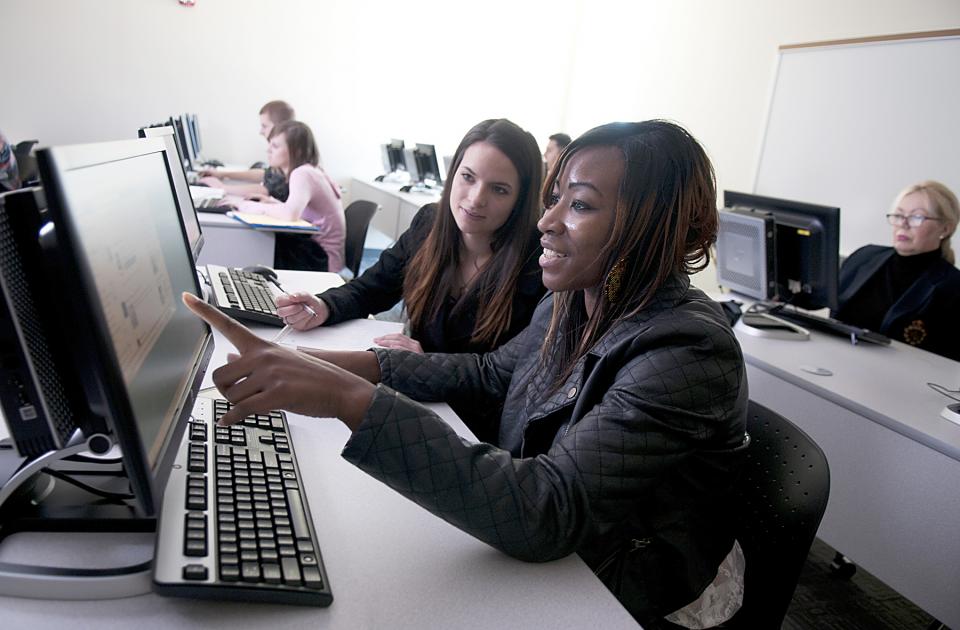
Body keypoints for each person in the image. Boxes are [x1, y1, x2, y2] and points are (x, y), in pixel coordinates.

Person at [183, 120, 749, 628]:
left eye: (578, 205)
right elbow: (488, 373)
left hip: (622, 582)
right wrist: (320, 364)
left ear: (653, 227)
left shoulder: (687, 349)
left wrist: (350, 400)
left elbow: (547, 509)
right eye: (554, 200)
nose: (546, 223)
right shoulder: (576, 297)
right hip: (567, 551)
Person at [277, 118, 546, 356]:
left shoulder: (536, 263)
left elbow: (502, 373)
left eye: (499, 189)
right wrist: (325, 305)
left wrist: (426, 362)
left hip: (464, 410)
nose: (476, 199)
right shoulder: (429, 224)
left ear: (520, 201)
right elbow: (372, 288)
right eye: (467, 177)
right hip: (412, 389)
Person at [833, 180, 960, 360]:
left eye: (917, 217)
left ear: (945, 228)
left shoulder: (953, 287)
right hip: (833, 364)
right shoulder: (864, 256)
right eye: (899, 215)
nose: (903, 224)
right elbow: (821, 303)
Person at [230, 120, 346, 273]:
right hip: (321, 254)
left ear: (296, 151)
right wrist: (271, 202)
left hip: (321, 259)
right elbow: (296, 210)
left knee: (260, 241)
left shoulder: (302, 173)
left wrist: (245, 205)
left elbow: (290, 214)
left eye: (275, 146)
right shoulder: (311, 170)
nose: (268, 151)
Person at [198, 100, 295, 200]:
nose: (261, 131)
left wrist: (222, 188)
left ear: (279, 126)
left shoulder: (287, 155)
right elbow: (266, 174)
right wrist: (223, 174)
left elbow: (266, 190)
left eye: (264, 126)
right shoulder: (283, 153)